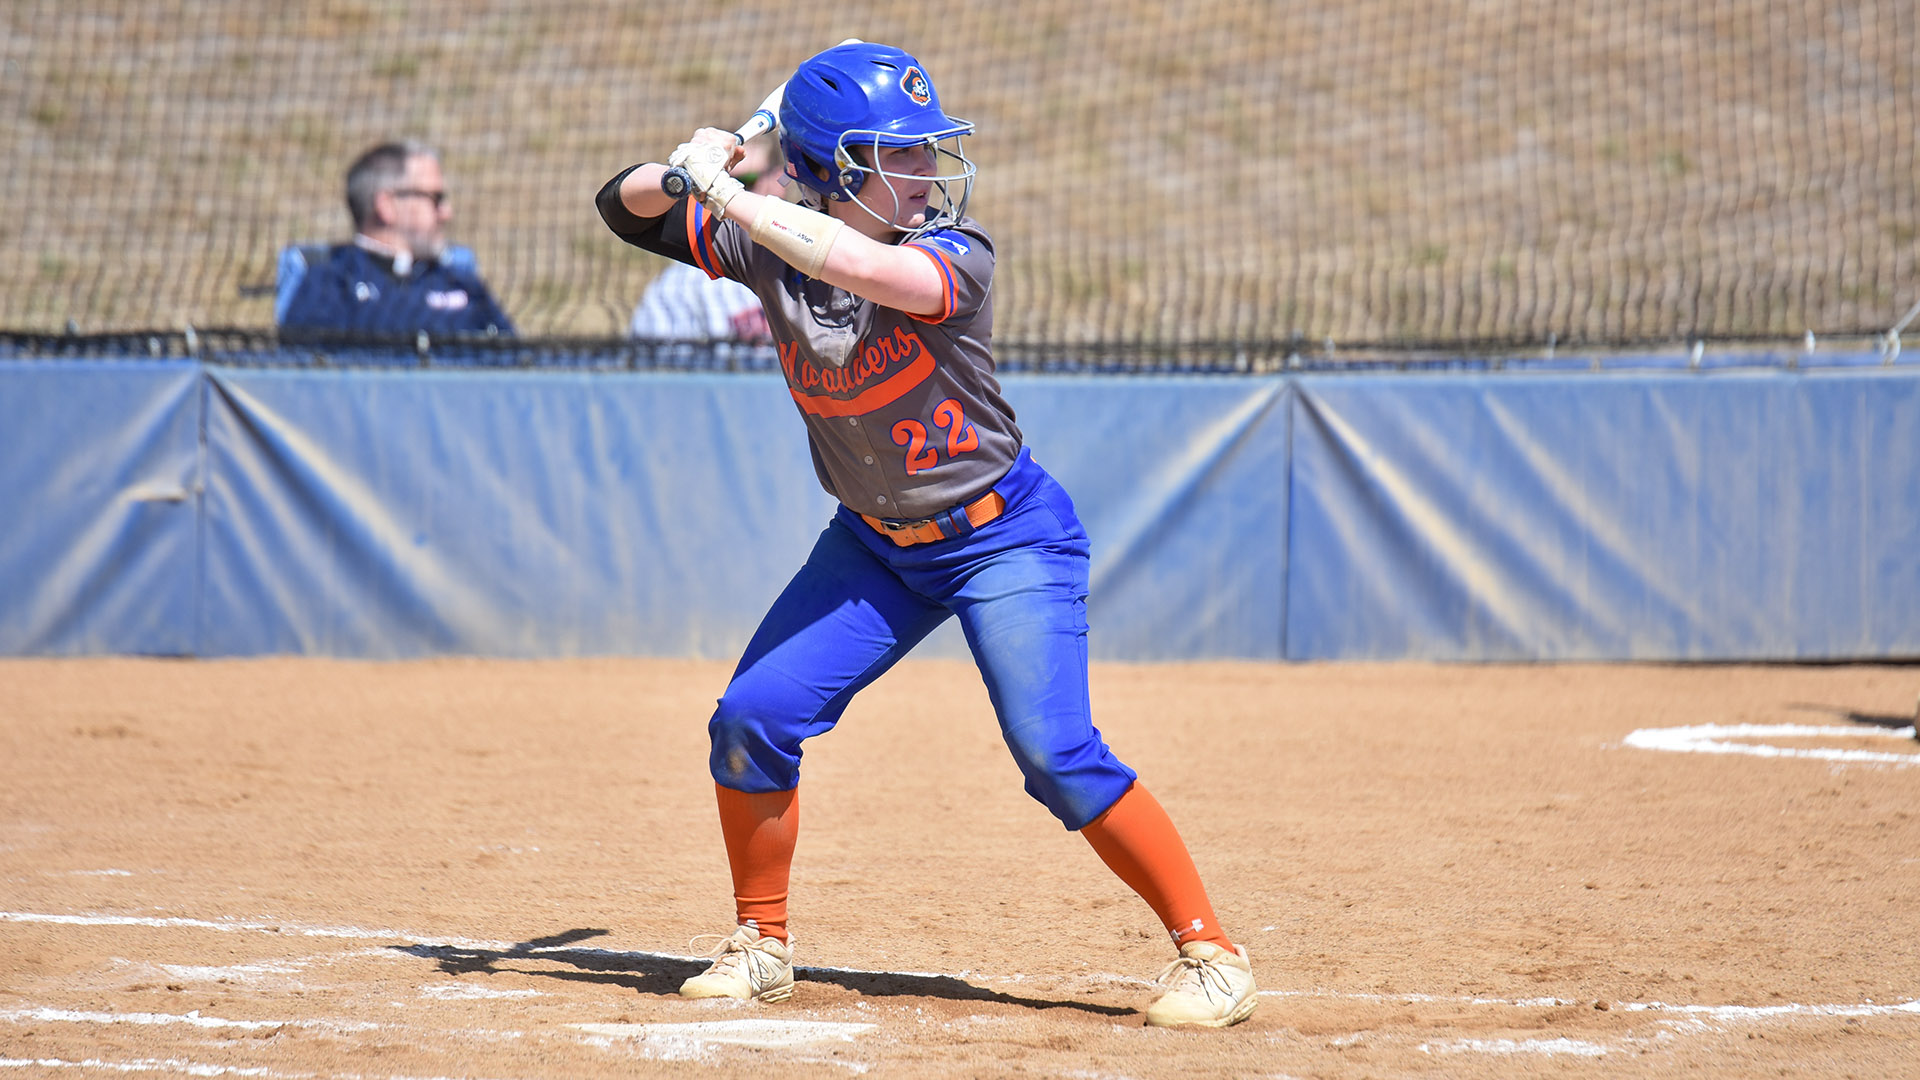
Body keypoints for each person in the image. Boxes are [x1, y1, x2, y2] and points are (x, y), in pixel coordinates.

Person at [594, 41, 1258, 1028]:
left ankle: (1212, 956)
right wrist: (689, 168)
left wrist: (728, 196)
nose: (921, 174)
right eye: (890, 157)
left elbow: (860, 266)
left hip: (1006, 538)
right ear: (826, 171)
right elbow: (622, 206)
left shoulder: (955, 254)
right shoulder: (764, 246)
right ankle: (762, 943)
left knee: (1054, 751)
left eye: (923, 152)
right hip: (874, 548)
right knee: (753, 715)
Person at [280, 140, 513, 336]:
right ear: (386, 206)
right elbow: (305, 374)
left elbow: (518, 362)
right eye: (436, 199)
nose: (446, 213)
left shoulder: (459, 282)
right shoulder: (331, 284)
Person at [628, 136, 783, 345]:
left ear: (777, 179)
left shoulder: (814, 255)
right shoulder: (678, 287)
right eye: (713, 186)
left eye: (744, 183)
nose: (726, 199)